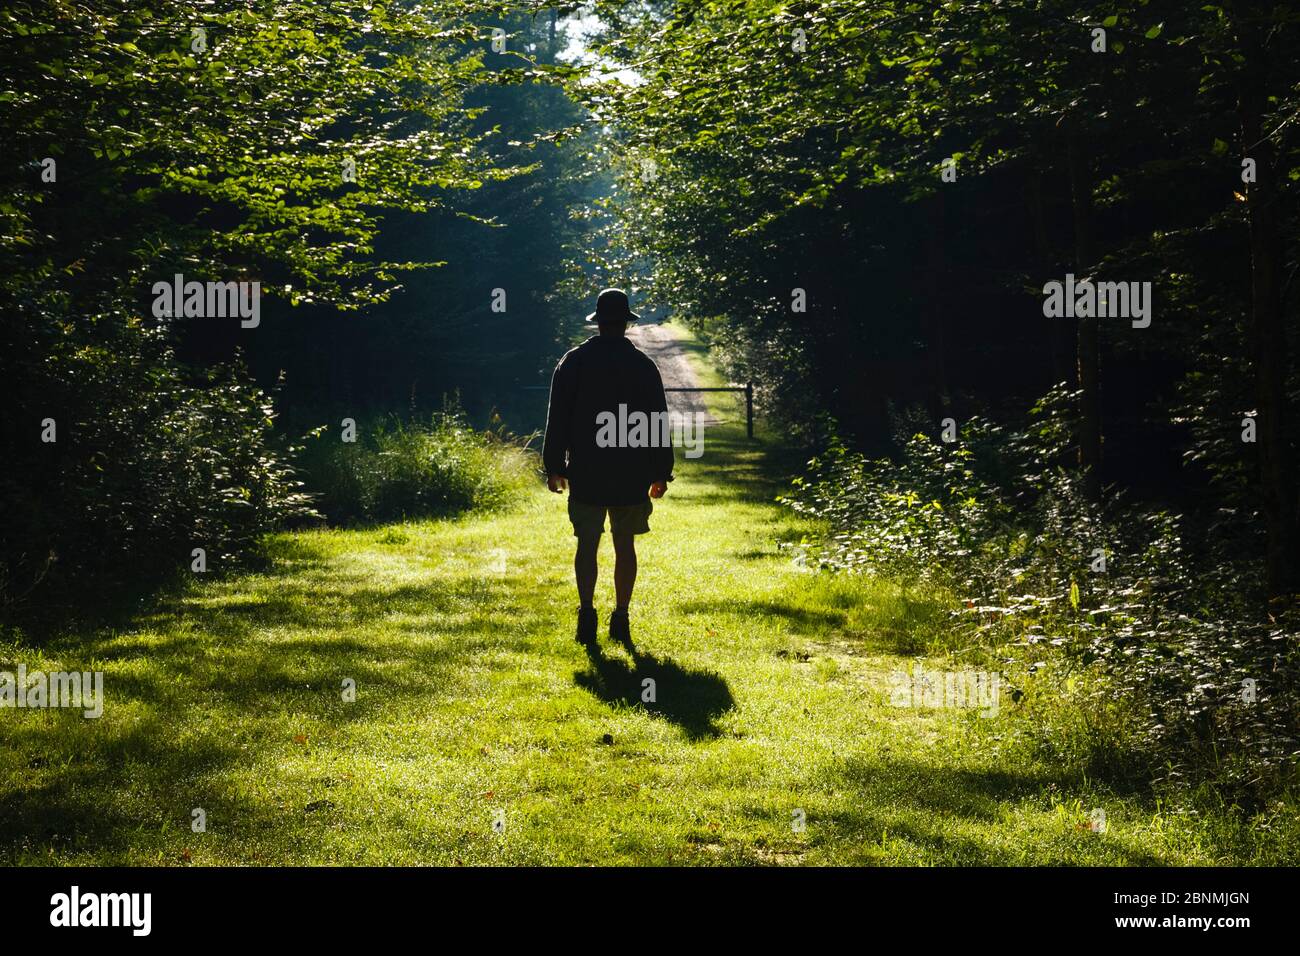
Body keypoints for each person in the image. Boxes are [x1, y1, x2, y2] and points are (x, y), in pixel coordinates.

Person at [543, 288, 674, 646]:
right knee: (625, 544)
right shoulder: (643, 366)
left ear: (598, 323)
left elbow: (558, 419)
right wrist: (660, 471)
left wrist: (554, 466)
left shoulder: (573, 362)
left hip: (587, 469)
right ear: (626, 324)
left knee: (587, 543)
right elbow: (656, 422)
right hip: (631, 472)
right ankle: (621, 616)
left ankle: (587, 613)